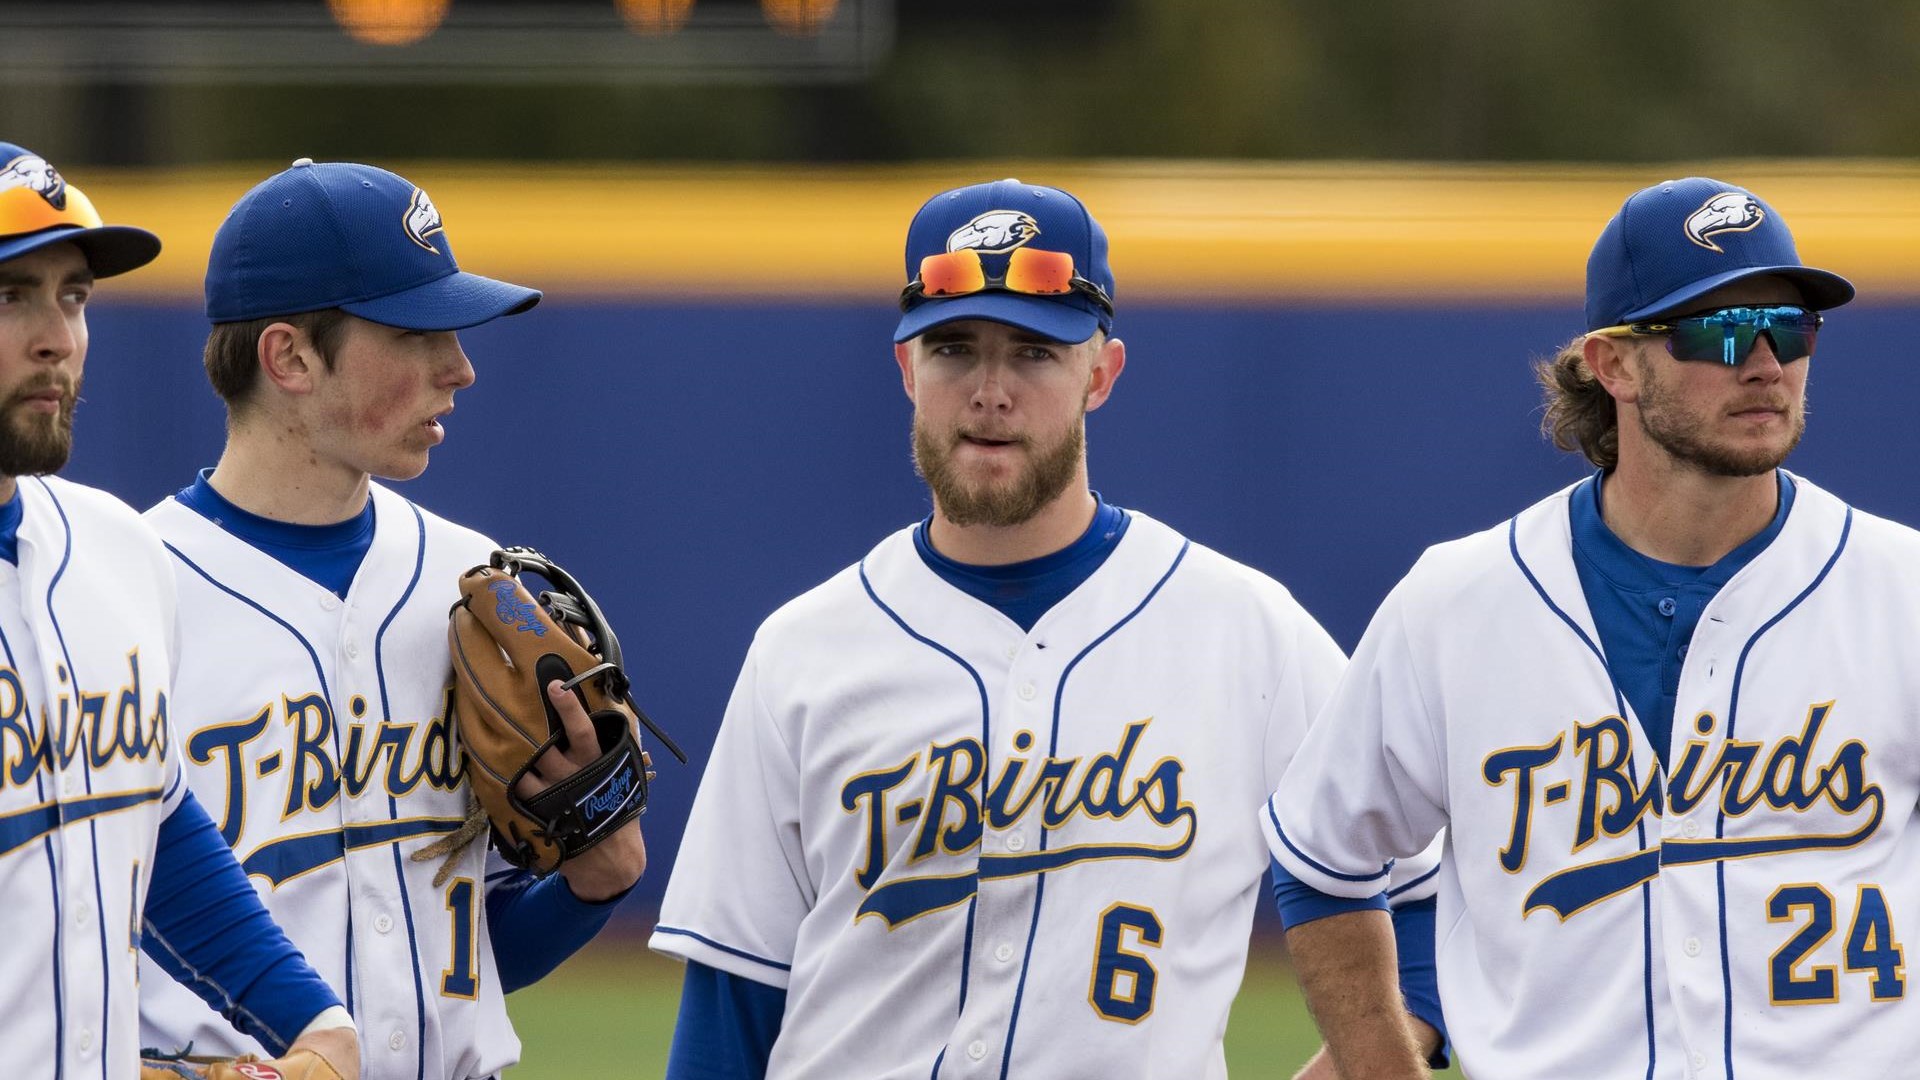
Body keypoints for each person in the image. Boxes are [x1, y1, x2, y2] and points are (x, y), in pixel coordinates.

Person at [649, 177, 1438, 1079]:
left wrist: (1366, 1056)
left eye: (1034, 351)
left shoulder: (1246, 632)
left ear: (1101, 375)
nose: (989, 391)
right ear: (906, 368)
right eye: (953, 348)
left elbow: (1430, 895)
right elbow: (729, 1011)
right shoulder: (802, 648)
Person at [1262, 177, 1915, 1078]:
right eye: (1719, 329)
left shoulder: (1900, 589)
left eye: (1790, 326)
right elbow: (1321, 854)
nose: (1765, 361)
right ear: (1613, 365)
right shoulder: (1458, 602)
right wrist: (1382, 1060)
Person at [133, 158, 650, 1079]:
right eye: (418, 334)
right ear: (288, 357)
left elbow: (461, 962)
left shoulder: (472, 587)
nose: (460, 368)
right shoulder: (127, 596)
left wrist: (588, 887)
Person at [0, 142, 358, 1078]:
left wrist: (314, 1021)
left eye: (72, 294)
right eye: (11, 296)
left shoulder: (117, 554)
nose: (56, 337)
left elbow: (150, 815)